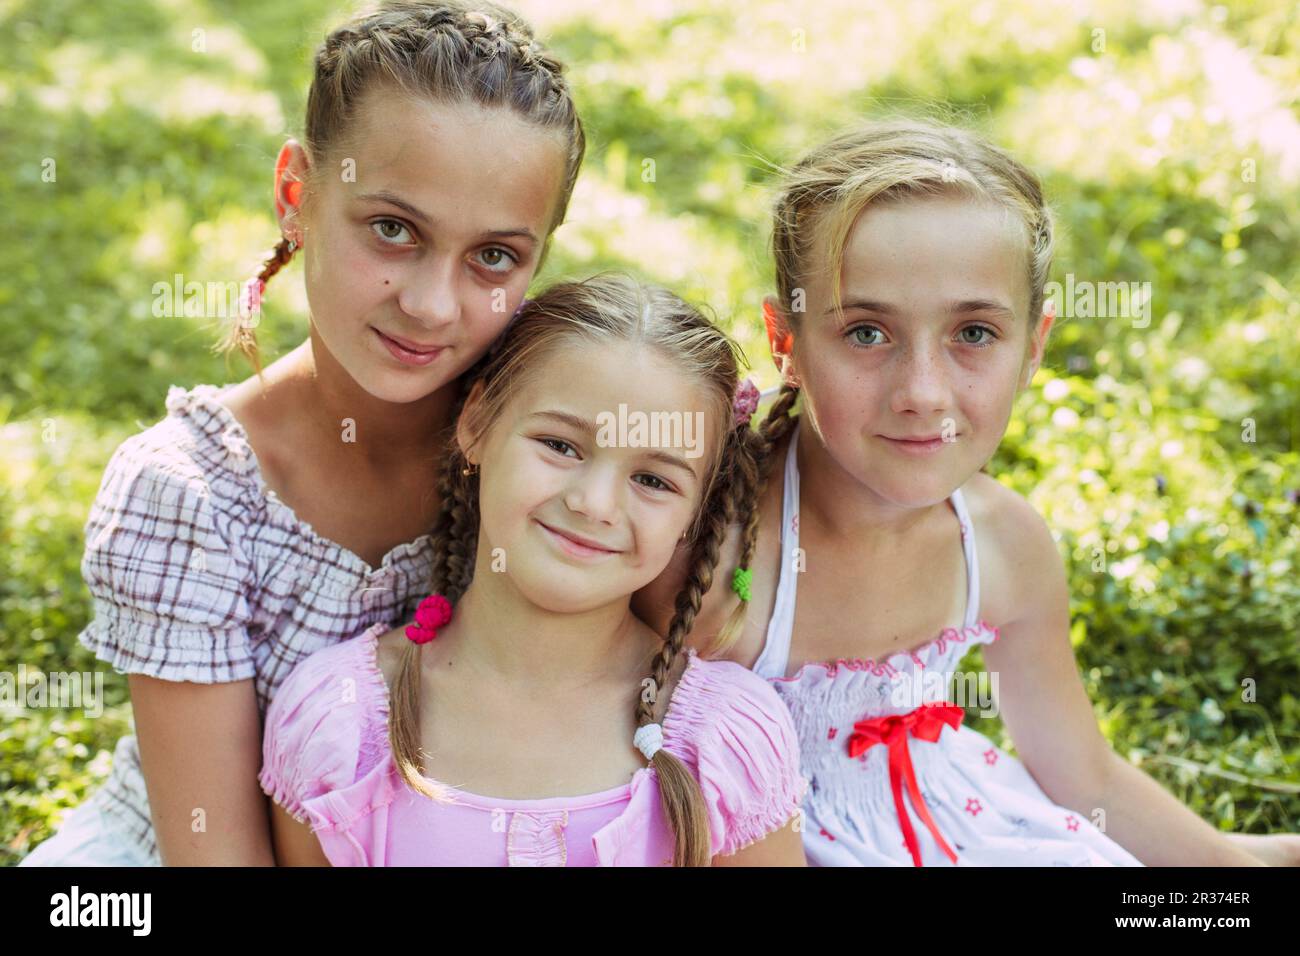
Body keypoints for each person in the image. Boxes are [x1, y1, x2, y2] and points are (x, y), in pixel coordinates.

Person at [21, 0, 585, 866]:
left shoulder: (555, 462)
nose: (433, 304)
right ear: (297, 195)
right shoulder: (190, 497)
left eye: (494, 257)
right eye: (393, 230)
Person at [260, 275, 809, 865]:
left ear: (694, 515)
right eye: (561, 445)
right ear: (477, 422)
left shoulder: (722, 743)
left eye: (653, 479)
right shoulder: (341, 723)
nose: (593, 503)